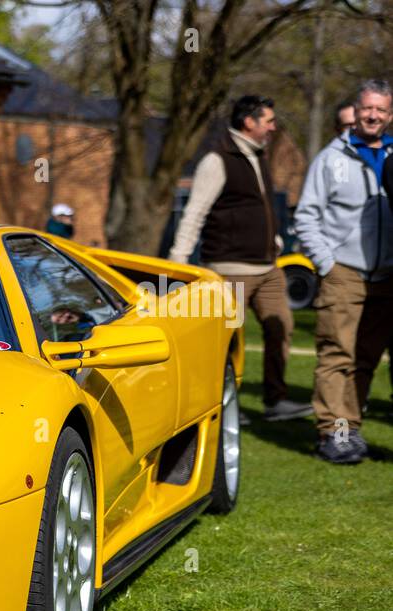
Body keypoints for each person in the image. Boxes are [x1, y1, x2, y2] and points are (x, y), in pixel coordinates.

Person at [168, 94, 312, 424]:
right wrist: (178, 262)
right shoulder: (216, 160)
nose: (274, 127)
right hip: (230, 270)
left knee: (282, 328)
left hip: (268, 269)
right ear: (249, 122)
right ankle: (219, 405)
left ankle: (276, 401)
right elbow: (195, 213)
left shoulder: (258, 156)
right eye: (269, 121)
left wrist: (274, 239)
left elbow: (257, 206)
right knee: (225, 341)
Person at [294, 78, 393, 464]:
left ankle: (351, 428)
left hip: (386, 275)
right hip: (344, 271)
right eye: (367, 108)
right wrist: (327, 264)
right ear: (356, 110)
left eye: (381, 110)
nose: (373, 115)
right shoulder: (330, 159)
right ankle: (333, 434)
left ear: (389, 115)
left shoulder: (391, 154)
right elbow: (306, 216)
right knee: (337, 354)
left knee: (366, 358)